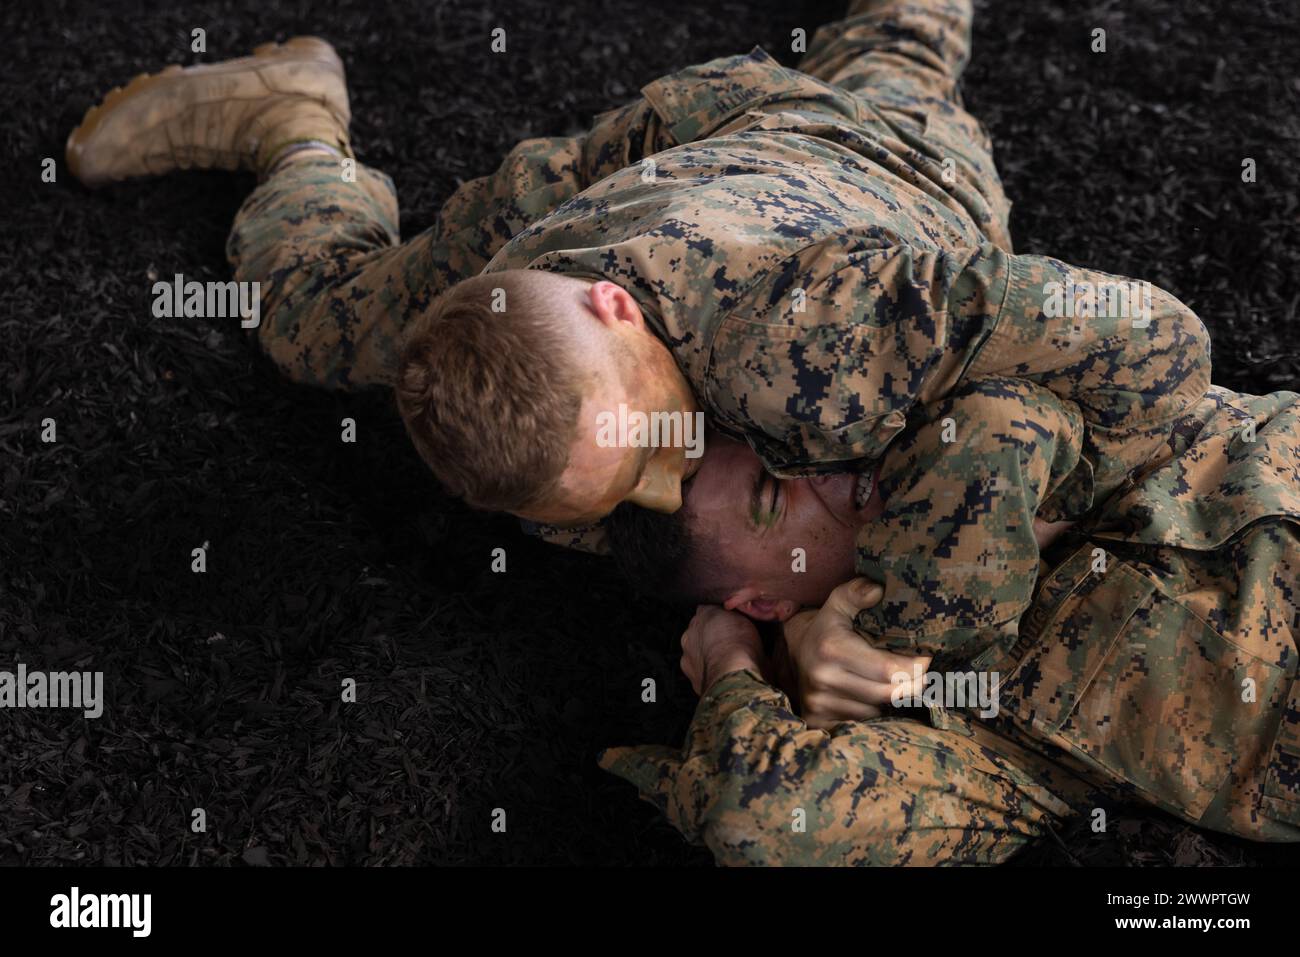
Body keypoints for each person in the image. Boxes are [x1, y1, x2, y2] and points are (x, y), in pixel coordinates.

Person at [65, 0, 1210, 556]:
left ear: (619, 311)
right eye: (621, 496)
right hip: (641, 166)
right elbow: (607, 153)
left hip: (878, 160)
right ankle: (289, 115)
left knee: (899, 49)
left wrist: (913, 631)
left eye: (658, 451)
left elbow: (1155, 339)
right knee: (309, 330)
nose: (680, 489)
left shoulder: (834, 346)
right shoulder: (530, 260)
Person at [602, 379, 1300, 860]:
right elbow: (759, 812)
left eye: (793, 446)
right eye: (770, 496)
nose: (819, 468)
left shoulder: (956, 407)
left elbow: (1020, 418)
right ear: (760, 602)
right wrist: (733, 660)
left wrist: (900, 615)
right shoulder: (956, 724)